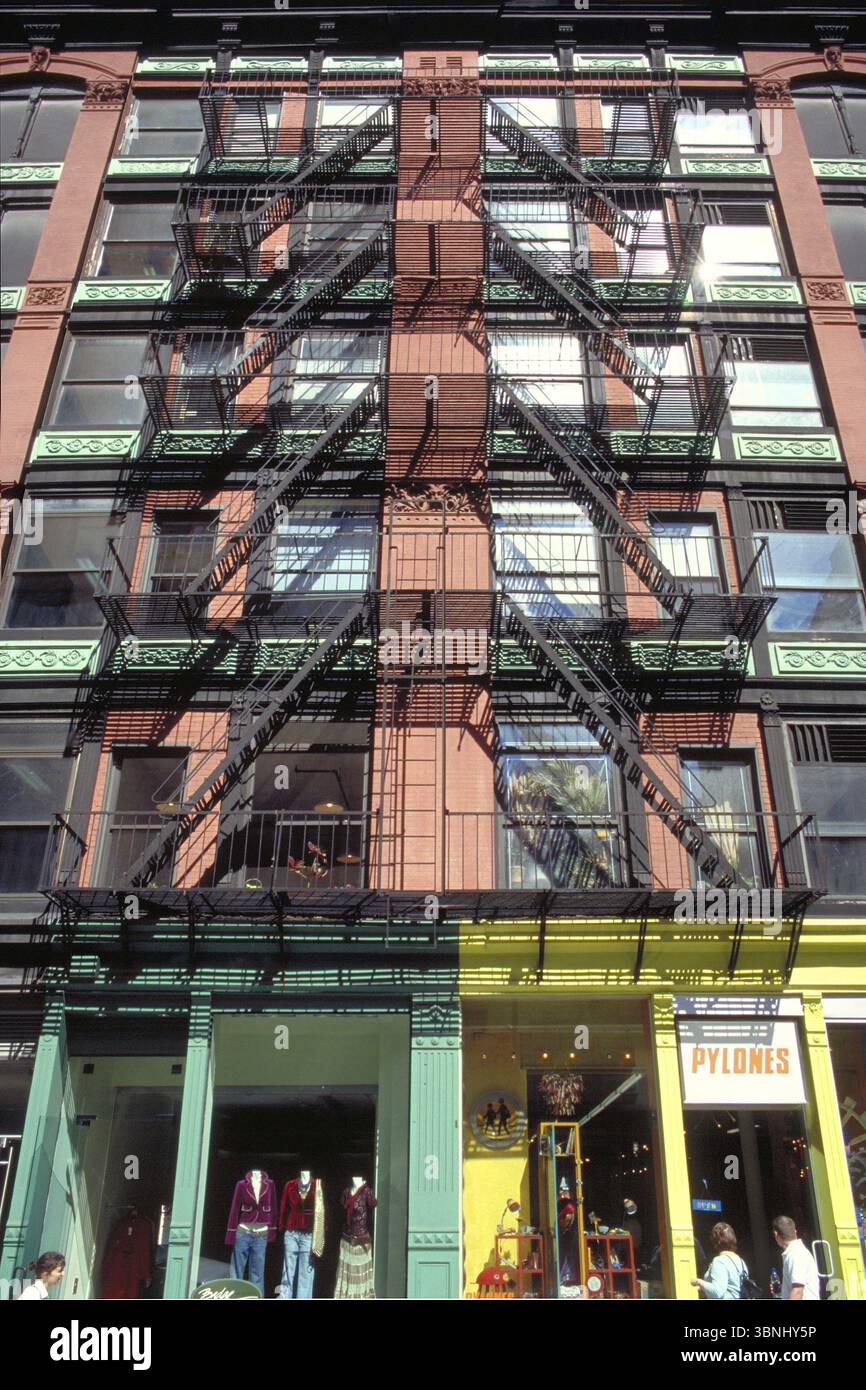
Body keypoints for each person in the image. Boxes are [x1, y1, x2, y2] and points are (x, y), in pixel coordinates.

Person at [691, 1222, 749, 1300]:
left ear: (715, 1241)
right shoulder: (741, 1261)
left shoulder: (719, 1261)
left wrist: (700, 1282)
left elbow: (717, 1292)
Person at [772, 1215, 820, 1301]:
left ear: (776, 1234)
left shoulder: (795, 1254)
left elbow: (797, 1291)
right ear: (795, 1232)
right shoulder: (796, 1252)